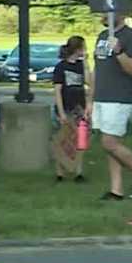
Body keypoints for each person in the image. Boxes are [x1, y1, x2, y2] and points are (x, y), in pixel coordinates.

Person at [90, 15, 132, 200]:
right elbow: (97, 69)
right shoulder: (102, 35)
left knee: (109, 142)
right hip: (101, 97)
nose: (102, 15)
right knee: (111, 145)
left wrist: (119, 52)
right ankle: (116, 190)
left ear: (119, 14)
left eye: (107, 11)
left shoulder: (131, 36)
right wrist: (90, 99)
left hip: (118, 97)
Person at [52, 36, 90, 183]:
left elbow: (89, 82)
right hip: (65, 107)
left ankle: (78, 171)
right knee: (62, 140)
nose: (85, 50)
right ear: (77, 49)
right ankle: (60, 172)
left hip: (79, 108)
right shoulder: (60, 67)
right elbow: (57, 91)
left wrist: (86, 63)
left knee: (81, 140)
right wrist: (61, 113)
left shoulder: (81, 66)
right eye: (83, 47)